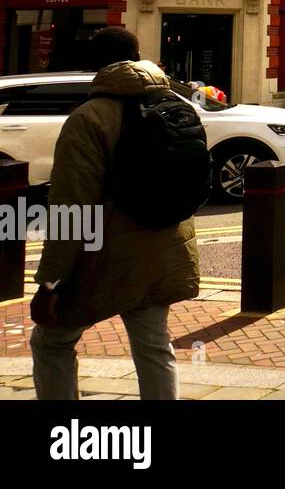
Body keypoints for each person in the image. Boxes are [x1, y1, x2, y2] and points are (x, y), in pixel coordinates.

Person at [30, 26, 200, 400]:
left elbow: (70, 206)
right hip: (166, 249)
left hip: (106, 257)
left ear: (95, 64)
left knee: (52, 341)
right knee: (154, 347)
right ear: (137, 54)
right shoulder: (177, 104)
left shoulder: (89, 117)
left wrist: (50, 283)